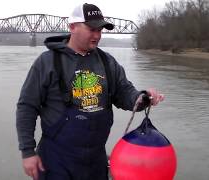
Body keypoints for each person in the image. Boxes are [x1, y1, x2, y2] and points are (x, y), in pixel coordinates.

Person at [16, 3, 164, 180]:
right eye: (92, 29)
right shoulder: (47, 62)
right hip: (56, 161)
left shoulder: (107, 62)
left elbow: (125, 93)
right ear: (72, 27)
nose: (97, 35)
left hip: (95, 161)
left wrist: (143, 98)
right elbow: (27, 107)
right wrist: (27, 152)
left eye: (100, 30)